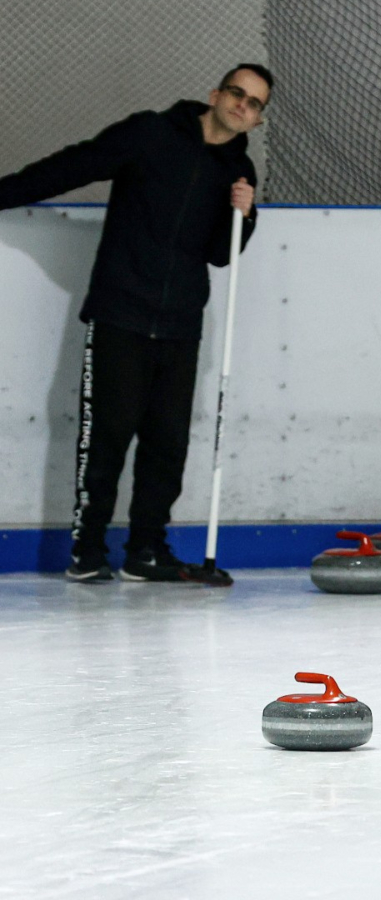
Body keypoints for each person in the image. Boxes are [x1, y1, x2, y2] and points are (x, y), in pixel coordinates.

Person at [0, 64, 272, 583]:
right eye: (237, 93)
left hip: (180, 323)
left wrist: (248, 215)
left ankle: (146, 550)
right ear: (215, 94)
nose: (242, 105)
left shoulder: (238, 172)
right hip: (121, 312)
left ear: (257, 120)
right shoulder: (150, 132)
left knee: (167, 444)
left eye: (255, 103)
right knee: (106, 437)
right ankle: (88, 550)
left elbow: (220, 253)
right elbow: (73, 165)